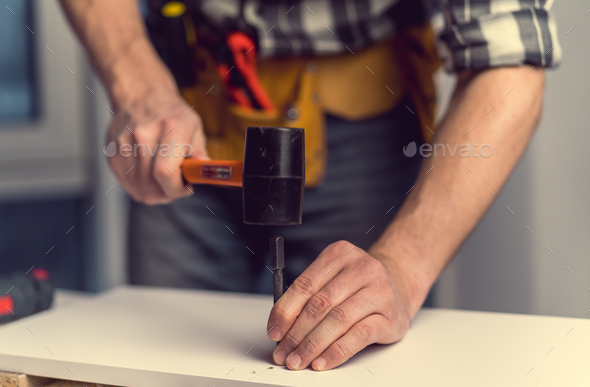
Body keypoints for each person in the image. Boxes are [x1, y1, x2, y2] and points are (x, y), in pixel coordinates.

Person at [59, 0, 560, 372]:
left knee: (354, 354)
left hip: (360, 115)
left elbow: (511, 62)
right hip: (186, 102)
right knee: (155, 359)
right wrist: (137, 83)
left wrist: (402, 268)